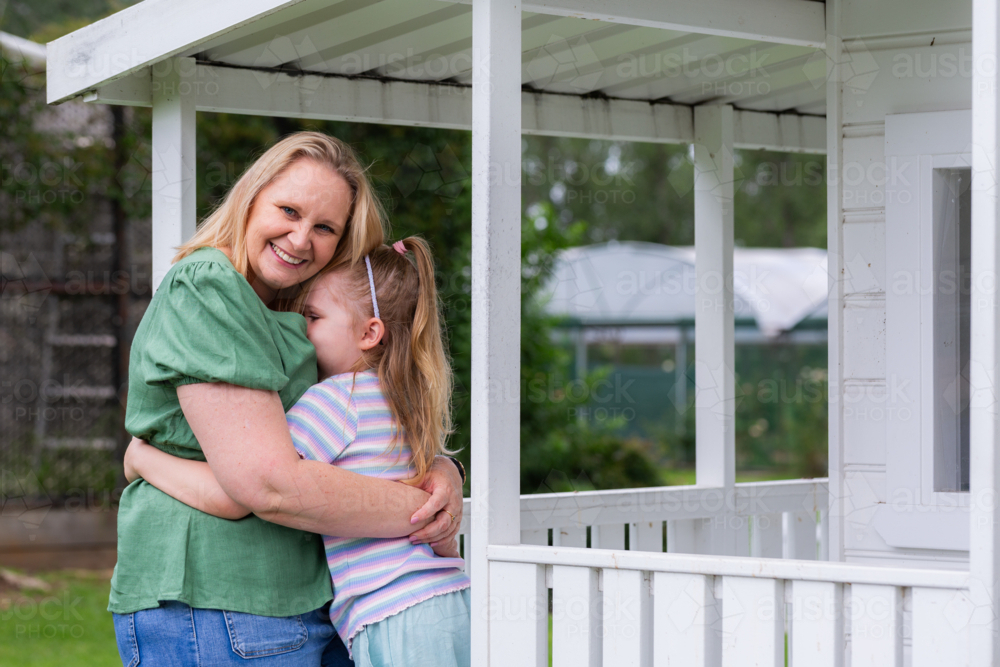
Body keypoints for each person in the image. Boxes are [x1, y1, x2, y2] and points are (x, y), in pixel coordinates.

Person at [112, 132, 465, 667]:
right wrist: (421, 506)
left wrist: (439, 470)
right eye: (288, 210)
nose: (301, 239)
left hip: (309, 602)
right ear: (251, 197)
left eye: (324, 228)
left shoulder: (296, 308)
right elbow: (265, 484)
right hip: (215, 598)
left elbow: (358, 421)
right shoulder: (211, 286)